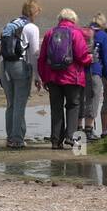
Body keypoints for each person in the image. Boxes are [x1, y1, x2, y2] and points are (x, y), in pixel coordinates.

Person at [37, 8, 92, 149]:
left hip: (52, 77)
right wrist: (89, 59)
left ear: (59, 19)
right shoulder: (76, 33)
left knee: (56, 108)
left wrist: (44, 77)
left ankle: (56, 140)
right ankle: (70, 137)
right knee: (73, 105)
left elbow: (42, 58)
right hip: (72, 77)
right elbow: (82, 56)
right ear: (73, 20)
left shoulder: (50, 33)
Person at [0, 0, 42, 148]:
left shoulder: (11, 24)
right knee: (19, 104)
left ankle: (10, 137)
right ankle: (17, 139)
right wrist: (37, 76)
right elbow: (34, 54)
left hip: (3, 65)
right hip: (20, 66)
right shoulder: (32, 28)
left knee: (10, 103)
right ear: (34, 13)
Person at [80, 12, 107, 140]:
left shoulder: (82, 33)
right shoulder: (102, 35)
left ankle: (78, 128)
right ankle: (88, 130)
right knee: (93, 99)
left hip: (78, 71)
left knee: (80, 99)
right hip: (94, 71)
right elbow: (106, 58)